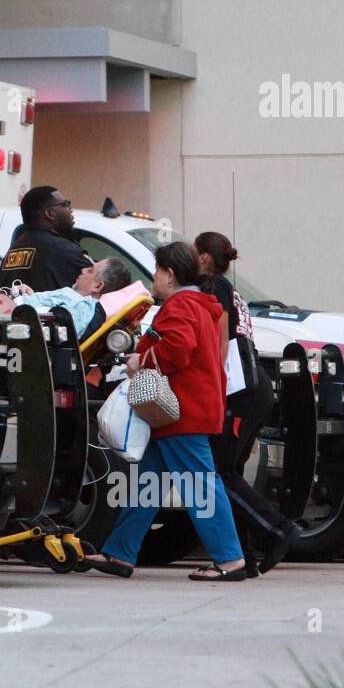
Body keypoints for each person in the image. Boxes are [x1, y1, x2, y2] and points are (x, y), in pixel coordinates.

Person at [86, 240, 248, 581]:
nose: (154, 279)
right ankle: (120, 553)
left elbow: (176, 350)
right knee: (149, 485)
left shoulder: (180, 306)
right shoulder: (201, 304)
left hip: (179, 411)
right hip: (185, 407)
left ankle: (230, 559)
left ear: (169, 274)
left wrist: (139, 360)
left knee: (199, 484)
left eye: (157, 272)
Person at [195, 231, 300, 576]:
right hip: (250, 388)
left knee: (220, 472)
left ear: (206, 258)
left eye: (194, 253)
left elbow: (221, 340)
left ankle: (277, 531)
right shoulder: (228, 287)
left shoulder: (213, 285)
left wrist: (213, 388)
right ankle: (245, 555)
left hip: (239, 393)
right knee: (228, 472)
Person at [0, 185, 93, 292]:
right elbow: (98, 284)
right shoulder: (63, 249)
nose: (71, 210)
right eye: (66, 205)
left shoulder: (14, 250)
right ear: (49, 214)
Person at [11, 257, 134, 339]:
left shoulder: (76, 303)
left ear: (97, 286)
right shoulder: (86, 313)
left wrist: (23, 298)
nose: (83, 270)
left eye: (90, 270)